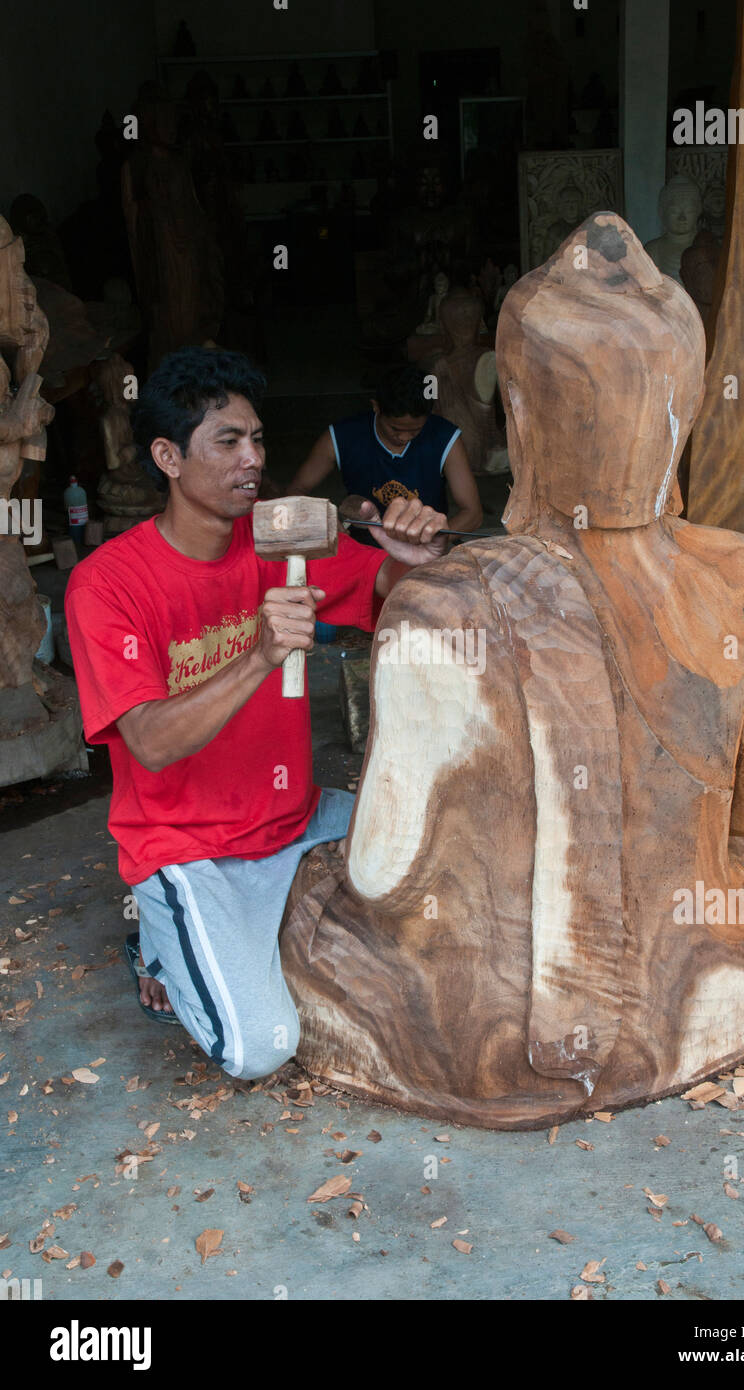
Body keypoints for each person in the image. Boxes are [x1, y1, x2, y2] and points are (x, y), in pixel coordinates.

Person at [64, 346, 449, 1080]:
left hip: (296, 818)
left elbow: (384, 595)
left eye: (259, 439)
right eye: (228, 442)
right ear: (168, 457)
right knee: (258, 1050)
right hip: (190, 847)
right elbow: (147, 741)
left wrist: (407, 559)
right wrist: (259, 656)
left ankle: (232, 934)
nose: (251, 459)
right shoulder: (105, 586)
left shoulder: (281, 536)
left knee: (444, 863)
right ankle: (160, 940)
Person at [285, 364, 482, 544]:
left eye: (415, 430)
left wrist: (431, 538)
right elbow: (296, 490)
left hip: (423, 545)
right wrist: (323, 521)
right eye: (395, 429)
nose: (405, 437)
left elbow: (472, 513)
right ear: (376, 407)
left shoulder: (444, 437)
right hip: (362, 545)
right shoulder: (343, 436)